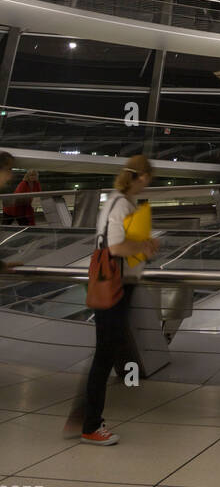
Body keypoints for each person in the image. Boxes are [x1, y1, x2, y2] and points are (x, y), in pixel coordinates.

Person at [64, 156, 160, 445]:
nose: (148, 184)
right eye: (148, 179)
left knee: (104, 353)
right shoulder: (121, 204)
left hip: (114, 282)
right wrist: (143, 246)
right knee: (104, 354)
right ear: (140, 177)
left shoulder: (119, 201)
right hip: (115, 284)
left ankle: (82, 418)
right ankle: (90, 425)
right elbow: (116, 246)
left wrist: (142, 244)